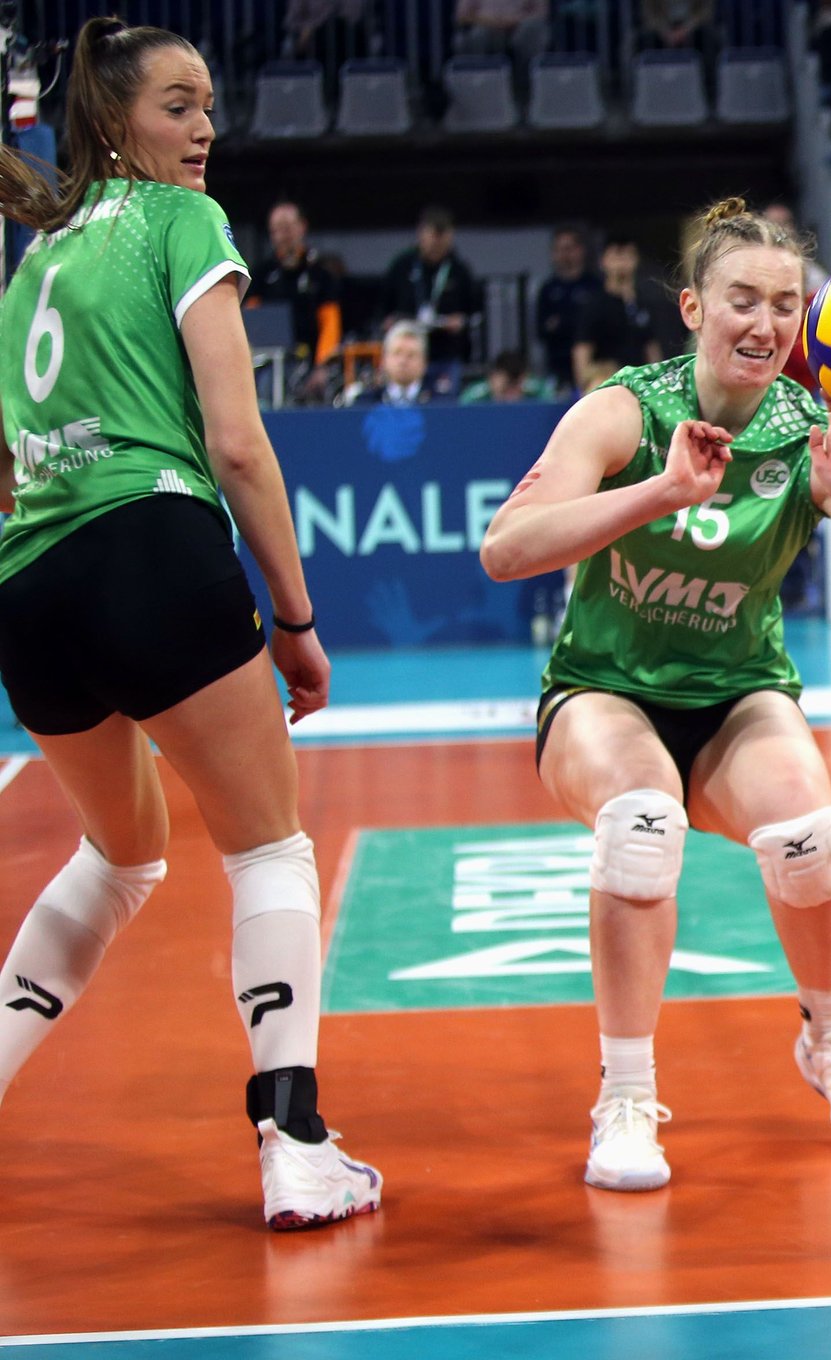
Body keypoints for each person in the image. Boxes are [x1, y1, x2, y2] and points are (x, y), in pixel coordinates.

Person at [0, 18, 381, 1229]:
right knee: (267, 847)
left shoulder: (34, 261)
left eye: (207, 103)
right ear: (115, 123)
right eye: (175, 104)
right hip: (153, 551)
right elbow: (235, 442)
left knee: (122, 855)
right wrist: (296, 616)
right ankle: (296, 1139)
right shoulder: (184, 225)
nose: (204, 126)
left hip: (28, 585)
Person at [478, 198, 831, 1191]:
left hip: (738, 696)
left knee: (813, 839)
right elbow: (503, 549)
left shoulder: (812, 428)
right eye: (739, 301)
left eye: (783, 305)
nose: (763, 325)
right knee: (640, 823)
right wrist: (659, 494)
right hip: (602, 692)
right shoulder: (624, 411)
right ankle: (625, 1097)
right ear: (691, 307)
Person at [381, 204, 484, 374]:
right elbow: (384, 308)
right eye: (432, 240)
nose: (436, 248)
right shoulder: (402, 266)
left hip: (446, 351)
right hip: (407, 350)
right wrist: (392, 321)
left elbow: (474, 312)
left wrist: (460, 321)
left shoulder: (459, 270)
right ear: (421, 234)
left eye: (442, 243)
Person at [248, 199, 341, 377]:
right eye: (277, 230)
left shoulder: (320, 274)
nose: (283, 236)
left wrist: (323, 365)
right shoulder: (261, 274)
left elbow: (330, 323)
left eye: (288, 228)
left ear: (302, 227)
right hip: (267, 364)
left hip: (309, 366)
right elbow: (250, 320)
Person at [574, 235, 662, 392]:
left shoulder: (643, 302)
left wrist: (657, 383)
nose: (622, 263)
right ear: (604, 261)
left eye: (628, 255)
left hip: (638, 385)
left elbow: (651, 346)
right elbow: (582, 349)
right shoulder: (595, 304)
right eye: (616, 256)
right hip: (606, 384)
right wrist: (585, 389)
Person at [535, 225, 600, 395]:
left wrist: (563, 323)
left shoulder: (594, 286)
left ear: (580, 250)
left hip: (593, 365)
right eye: (559, 249)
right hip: (557, 365)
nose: (565, 254)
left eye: (569, 248)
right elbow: (542, 330)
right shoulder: (548, 289)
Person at [350, 320, 453, 406]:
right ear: (384, 360)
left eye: (411, 355)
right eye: (397, 353)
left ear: (424, 363)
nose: (403, 361)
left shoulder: (440, 404)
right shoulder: (366, 404)